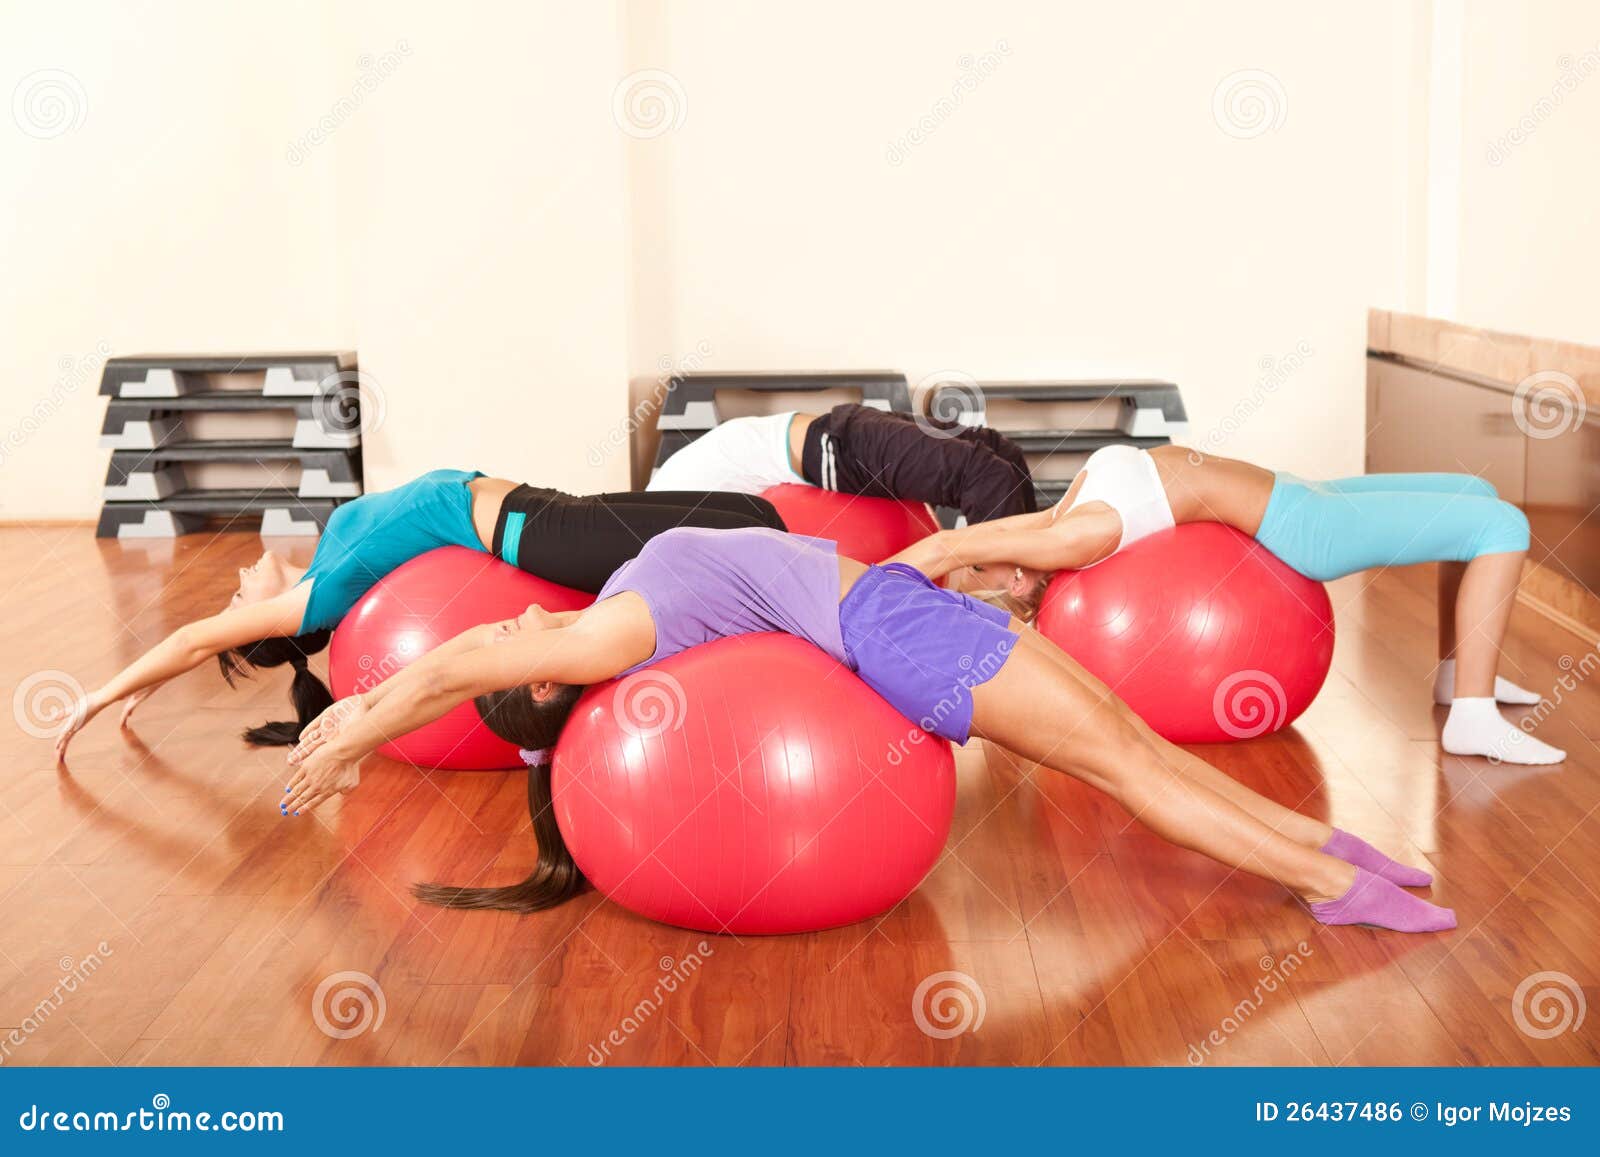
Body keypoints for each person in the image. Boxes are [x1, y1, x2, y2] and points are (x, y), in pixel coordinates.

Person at [284, 524, 1456, 934]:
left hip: (906, 607)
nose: (525, 615)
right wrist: (348, 721)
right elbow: (455, 658)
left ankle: (1336, 855)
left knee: (1142, 746)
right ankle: (1323, 877)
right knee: (1122, 768)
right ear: (544, 682)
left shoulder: (621, 598)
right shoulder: (603, 640)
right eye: (524, 647)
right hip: (904, 642)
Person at [889, 444, 1562, 765]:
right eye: (996, 574)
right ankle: (1470, 715)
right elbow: (958, 546)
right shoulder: (1082, 533)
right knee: (1502, 525)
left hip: (1298, 489)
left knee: (1472, 485)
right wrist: (920, 568)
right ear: (1020, 577)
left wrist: (962, 551)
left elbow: (1012, 533)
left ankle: (1456, 673)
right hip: (1302, 527)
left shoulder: (1064, 513)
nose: (1001, 571)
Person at [49, 470, 784, 761]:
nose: (241, 577)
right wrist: (100, 693)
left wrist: (142, 689)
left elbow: (187, 648)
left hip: (541, 505)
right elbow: (188, 639)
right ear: (270, 625)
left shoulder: (323, 564)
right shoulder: (313, 599)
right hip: (535, 532)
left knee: (750, 512)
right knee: (755, 528)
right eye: (239, 603)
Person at [648, 404, 1036, 525]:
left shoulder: (657, 513)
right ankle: (1009, 606)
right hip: (835, 436)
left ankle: (1014, 589)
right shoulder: (660, 504)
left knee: (997, 461)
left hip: (833, 444)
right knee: (996, 464)